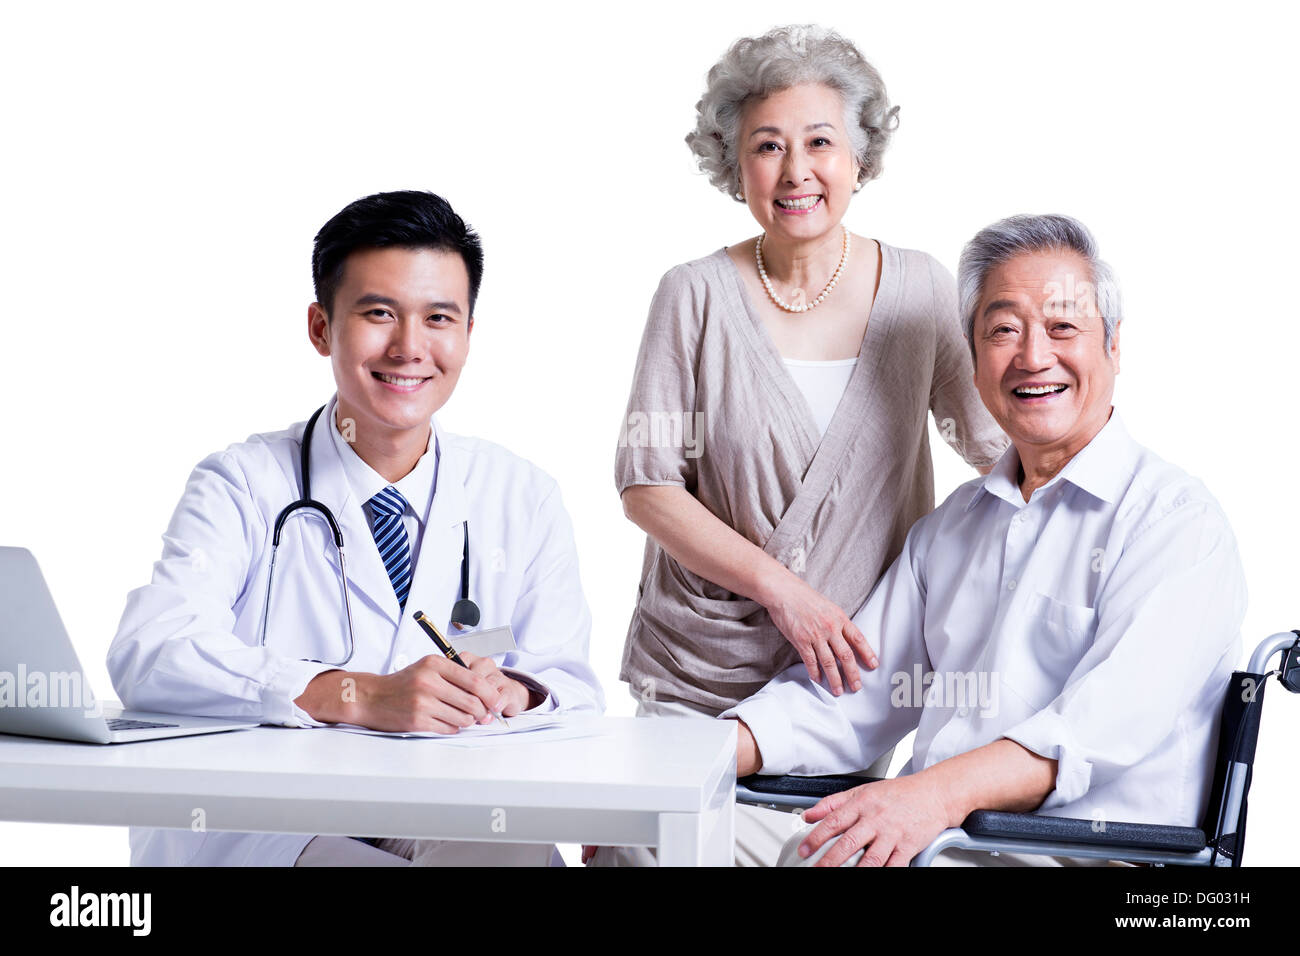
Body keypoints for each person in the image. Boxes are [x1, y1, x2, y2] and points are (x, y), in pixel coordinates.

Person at [592, 24, 1007, 867]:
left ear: (858, 157)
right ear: (732, 162)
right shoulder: (694, 294)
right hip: (696, 679)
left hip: (844, 686)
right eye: (766, 146)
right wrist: (781, 589)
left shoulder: (920, 291)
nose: (795, 171)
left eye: (820, 142)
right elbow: (645, 484)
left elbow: (998, 452)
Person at [724, 213, 1247, 867]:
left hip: (1073, 857)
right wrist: (694, 764)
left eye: (1063, 327)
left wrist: (929, 797)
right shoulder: (952, 530)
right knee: (663, 836)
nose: (1033, 356)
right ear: (974, 367)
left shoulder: (1176, 524)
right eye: (1004, 330)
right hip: (933, 841)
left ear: (1113, 346)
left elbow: (1095, 731)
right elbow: (850, 700)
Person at [107, 190, 604, 867]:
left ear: (467, 334)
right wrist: (358, 694)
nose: (409, 348)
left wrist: (513, 691)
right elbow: (152, 649)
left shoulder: (521, 497)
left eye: (438, 318)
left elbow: (570, 687)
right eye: (378, 314)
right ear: (320, 328)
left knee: (516, 858)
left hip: (445, 805)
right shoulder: (243, 484)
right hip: (271, 821)